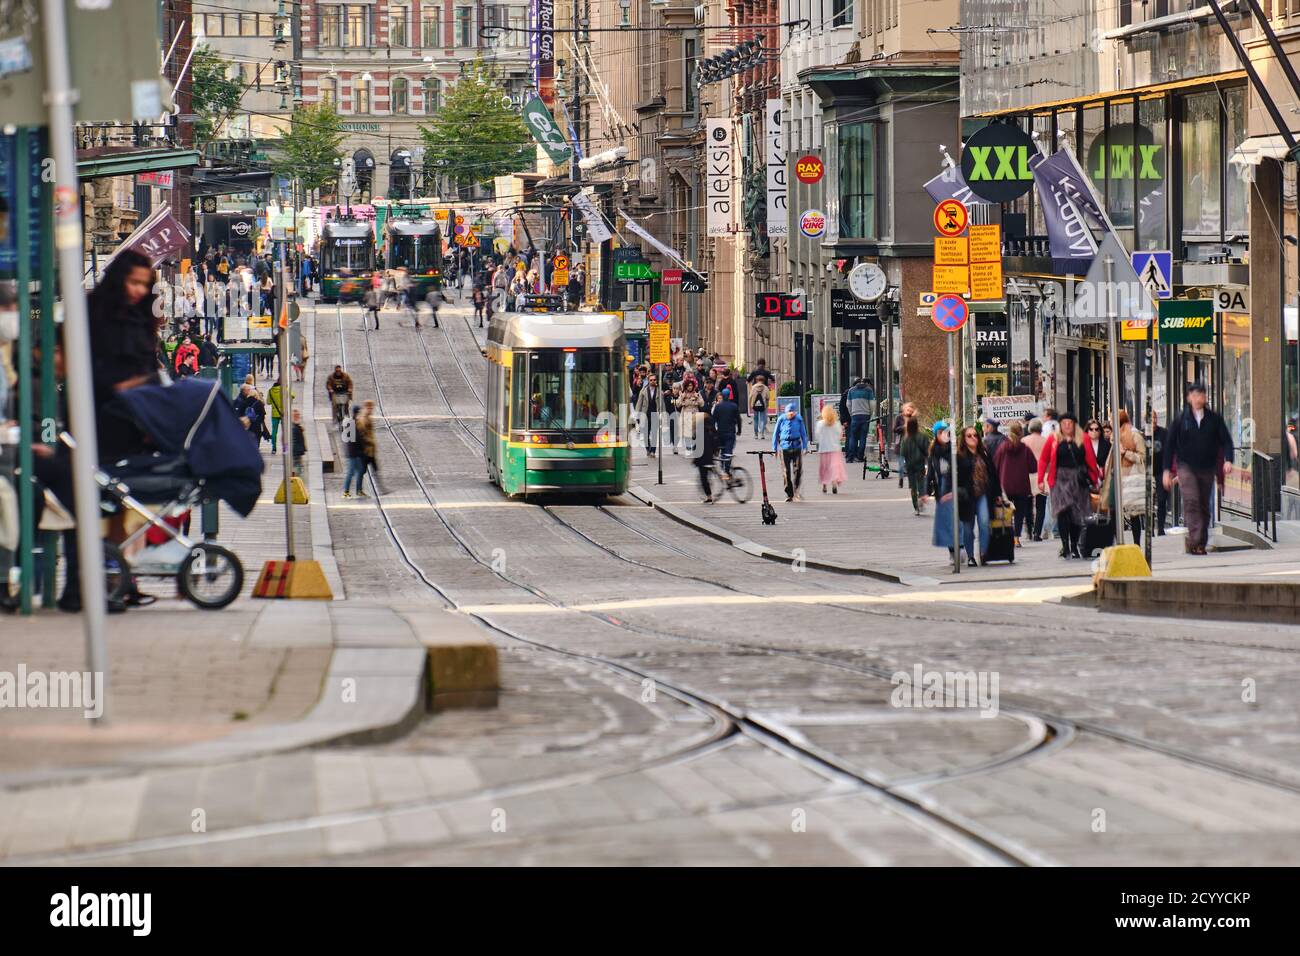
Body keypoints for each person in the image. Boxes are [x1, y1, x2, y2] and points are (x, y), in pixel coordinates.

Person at [88, 249, 162, 463]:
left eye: (145, 284)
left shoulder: (140, 317)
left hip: (136, 418)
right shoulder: (95, 314)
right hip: (104, 417)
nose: (139, 290)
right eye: (134, 282)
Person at [1163, 382, 1233, 555]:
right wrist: (1166, 470)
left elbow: (1226, 441)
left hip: (1207, 467)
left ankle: (1200, 542)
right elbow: (1169, 445)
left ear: (1205, 397)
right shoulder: (1181, 419)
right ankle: (1195, 540)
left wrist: (1228, 460)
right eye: (1194, 395)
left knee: (1203, 504)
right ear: (1189, 398)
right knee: (1192, 500)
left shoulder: (1214, 419)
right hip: (1186, 466)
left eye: (1201, 395)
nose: (1197, 399)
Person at [1041, 411, 1100, 559]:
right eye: (1064, 423)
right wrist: (1040, 479)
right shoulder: (1053, 439)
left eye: (1070, 423)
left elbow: (1091, 460)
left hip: (1078, 479)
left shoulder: (1083, 438)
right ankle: (1065, 545)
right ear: (1060, 425)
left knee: (1077, 514)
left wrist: (1094, 478)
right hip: (1060, 479)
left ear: (1074, 425)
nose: (1067, 425)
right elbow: (1043, 459)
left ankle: (1074, 546)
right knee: (1063, 511)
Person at [957, 425, 1001, 565]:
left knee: (984, 522)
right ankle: (970, 556)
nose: (973, 438)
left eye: (975, 435)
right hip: (966, 497)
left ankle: (983, 552)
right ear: (963, 439)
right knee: (968, 528)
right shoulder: (959, 456)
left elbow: (993, 475)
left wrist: (998, 493)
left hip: (983, 493)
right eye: (969, 436)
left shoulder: (984, 453)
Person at [1105, 409, 1148, 546]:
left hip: (1130, 478)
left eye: (1112, 419)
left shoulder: (1135, 435)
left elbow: (1142, 458)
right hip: (1116, 476)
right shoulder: (1115, 436)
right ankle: (1117, 543)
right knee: (1113, 509)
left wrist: (1126, 453)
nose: (1110, 422)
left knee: (1133, 513)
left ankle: (1137, 543)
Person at [994, 421, 1037, 547]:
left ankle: (1007, 536)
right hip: (1021, 485)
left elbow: (995, 465)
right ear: (1021, 432)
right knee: (1019, 513)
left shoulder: (1002, 447)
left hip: (1005, 485)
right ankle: (1016, 538)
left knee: (1006, 512)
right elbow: (1033, 467)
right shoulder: (1025, 449)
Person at [926, 421, 963, 560]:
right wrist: (925, 492)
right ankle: (952, 550)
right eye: (939, 432)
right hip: (941, 490)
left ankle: (961, 547)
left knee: (958, 520)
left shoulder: (955, 451)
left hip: (955, 488)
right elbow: (930, 474)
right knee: (946, 522)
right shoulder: (933, 452)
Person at [772, 404, 809, 501]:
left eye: (792, 413)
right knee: (786, 471)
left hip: (797, 446)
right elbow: (775, 434)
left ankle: (796, 490)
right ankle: (789, 494)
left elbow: (804, 434)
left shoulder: (799, 419)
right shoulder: (781, 419)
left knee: (798, 470)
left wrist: (805, 447)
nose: (791, 415)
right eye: (789, 413)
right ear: (786, 412)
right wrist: (774, 449)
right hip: (784, 447)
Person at [1022, 418, 1051, 541]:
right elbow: (1049, 460)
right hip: (1042, 475)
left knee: (1027, 505)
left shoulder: (1024, 441)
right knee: (1041, 505)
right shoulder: (1045, 441)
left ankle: (1029, 529)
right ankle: (1037, 533)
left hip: (1027, 475)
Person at [899, 416, 929, 515]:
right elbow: (927, 450)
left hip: (910, 466)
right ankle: (921, 497)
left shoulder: (905, 439)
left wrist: (901, 469)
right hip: (920, 464)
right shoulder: (923, 437)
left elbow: (902, 453)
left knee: (912, 486)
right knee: (921, 483)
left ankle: (916, 506)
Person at [815, 403, 847, 494]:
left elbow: (817, 436)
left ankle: (824, 485)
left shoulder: (820, 424)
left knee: (825, 468)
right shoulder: (836, 424)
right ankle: (834, 483)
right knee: (834, 468)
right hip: (835, 449)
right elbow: (840, 436)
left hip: (824, 449)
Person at [690, 407, 719, 504]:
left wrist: (694, 458)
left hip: (703, 459)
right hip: (710, 457)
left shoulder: (699, 431)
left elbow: (696, 446)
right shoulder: (711, 429)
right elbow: (715, 442)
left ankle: (709, 496)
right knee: (708, 474)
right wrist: (715, 452)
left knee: (704, 478)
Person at [711, 391, 741, 478]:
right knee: (728, 451)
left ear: (722, 396)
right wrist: (739, 430)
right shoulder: (734, 406)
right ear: (729, 396)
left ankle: (722, 467)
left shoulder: (718, 407)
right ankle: (726, 470)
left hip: (720, 432)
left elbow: (713, 420)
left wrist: (713, 432)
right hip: (730, 432)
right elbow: (738, 419)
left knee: (722, 451)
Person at [844, 378, 875, 463]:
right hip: (865, 415)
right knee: (863, 437)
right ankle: (860, 457)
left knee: (852, 437)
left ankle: (850, 457)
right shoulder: (869, 390)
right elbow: (872, 404)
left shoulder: (851, 390)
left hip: (855, 416)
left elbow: (848, 404)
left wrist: (852, 413)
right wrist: (870, 414)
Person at [1149, 409, 1168, 536]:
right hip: (1148, 471)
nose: (1154, 421)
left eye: (1155, 418)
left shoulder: (1164, 433)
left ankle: (1160, 528)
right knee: (1149, 501)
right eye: (1151, 418)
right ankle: (1150, 529)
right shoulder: (1143, 434)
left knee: (1162, 500)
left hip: (1161, 470)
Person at [341, 405, 366, 497]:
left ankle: (359, 490)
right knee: (351, 472)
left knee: (360, 471)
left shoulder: (355, 423)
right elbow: (351, 440)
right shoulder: (351, 424)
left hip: (356, 453)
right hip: (353, 454)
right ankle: (346, 492)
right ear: (357, 413)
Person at [634, 372, 661, 456]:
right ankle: (648, 448)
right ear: (648, 381)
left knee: (654, 433)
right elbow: (639, 404)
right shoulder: (643, 391)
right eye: (651, 380)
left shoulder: (659, 391)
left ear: (656, 381)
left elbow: (662, 404)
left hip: (655, 414)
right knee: (646, 433)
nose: (653, 381)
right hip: (645, 414)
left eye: (654, 380)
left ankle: (653, 450)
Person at [234, 382, 267, 448]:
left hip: (248, 425)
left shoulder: (244, 402)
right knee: (257, 440)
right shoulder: (259, 403)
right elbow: (263, 415)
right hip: (257, 425)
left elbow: (240, 413)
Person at [893, 402, 916, 487]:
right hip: (900, 444)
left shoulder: (913, 418)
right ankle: (901, 480)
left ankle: (911, 482)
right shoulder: (898, 417)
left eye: (911, 410)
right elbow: (895, 429)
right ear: (904, 409)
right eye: (908, 410)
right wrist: (904, 426)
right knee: (901, 465)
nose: (909, 412)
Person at [267, 377, 293, 454]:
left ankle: (274, 448)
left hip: (274, 414)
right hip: (283, 413)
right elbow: (292, 396)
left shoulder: (270, 391)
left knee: (274, 431)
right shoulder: (285, 390)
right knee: (284, 431)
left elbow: (268, 402)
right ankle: (285, 448)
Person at [290, 408, 307, 477]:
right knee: (297, 468)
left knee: (298, 467)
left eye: (299, 415)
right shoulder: (293, 427)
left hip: (297, 451)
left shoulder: (295, 426)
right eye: (297, 416)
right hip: (295, 452)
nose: (299, 417)